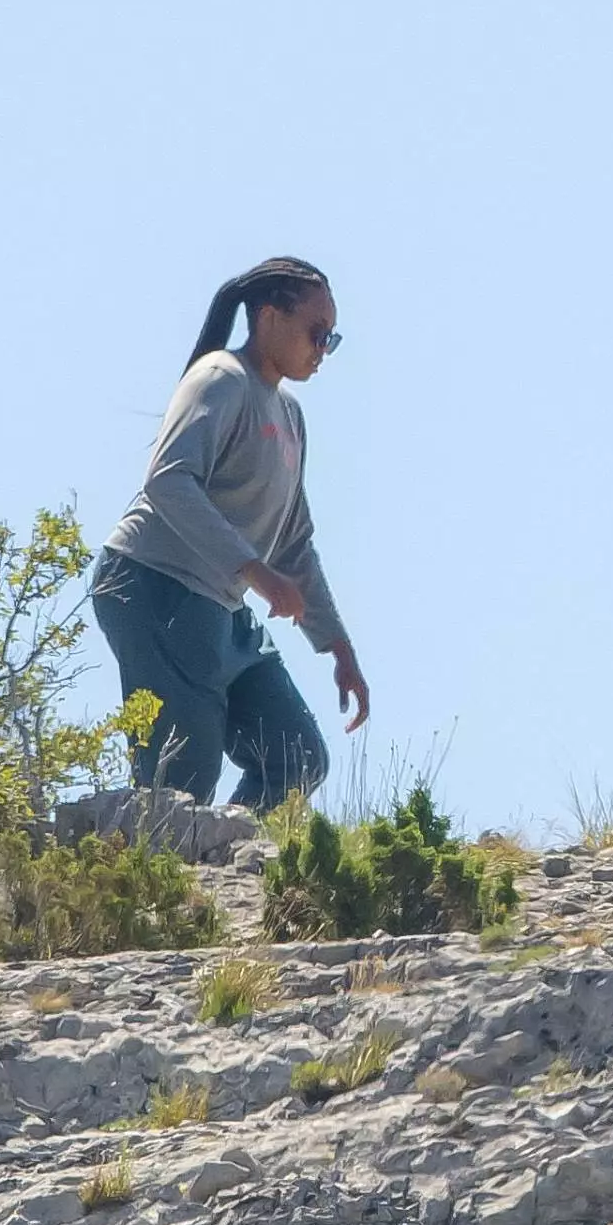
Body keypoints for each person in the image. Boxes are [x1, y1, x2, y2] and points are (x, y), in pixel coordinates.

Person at [93, 256, 369, 811]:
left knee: (297, 758)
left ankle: (228, 863)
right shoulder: (220, 378)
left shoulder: (290, 417)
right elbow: (168, 481)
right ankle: (152, 881)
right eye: (316, 333)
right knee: (181, 776)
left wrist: (337, 645)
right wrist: (254, 572)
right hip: (153, 587)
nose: (322, 349)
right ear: (269, 317)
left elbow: (293, 543)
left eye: (331, 338)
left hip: (221, 609)